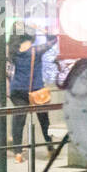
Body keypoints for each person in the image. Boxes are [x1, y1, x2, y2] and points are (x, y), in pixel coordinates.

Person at [8, 24, 56, 162]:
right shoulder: (36, 50)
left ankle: (17, 153)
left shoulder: (13, 51)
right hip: (35, 90)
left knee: (18, 121)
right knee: (44, 121)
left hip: (17, 90)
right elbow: (53, 41)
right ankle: (50, 148)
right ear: (31, 36)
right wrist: (43, 29)